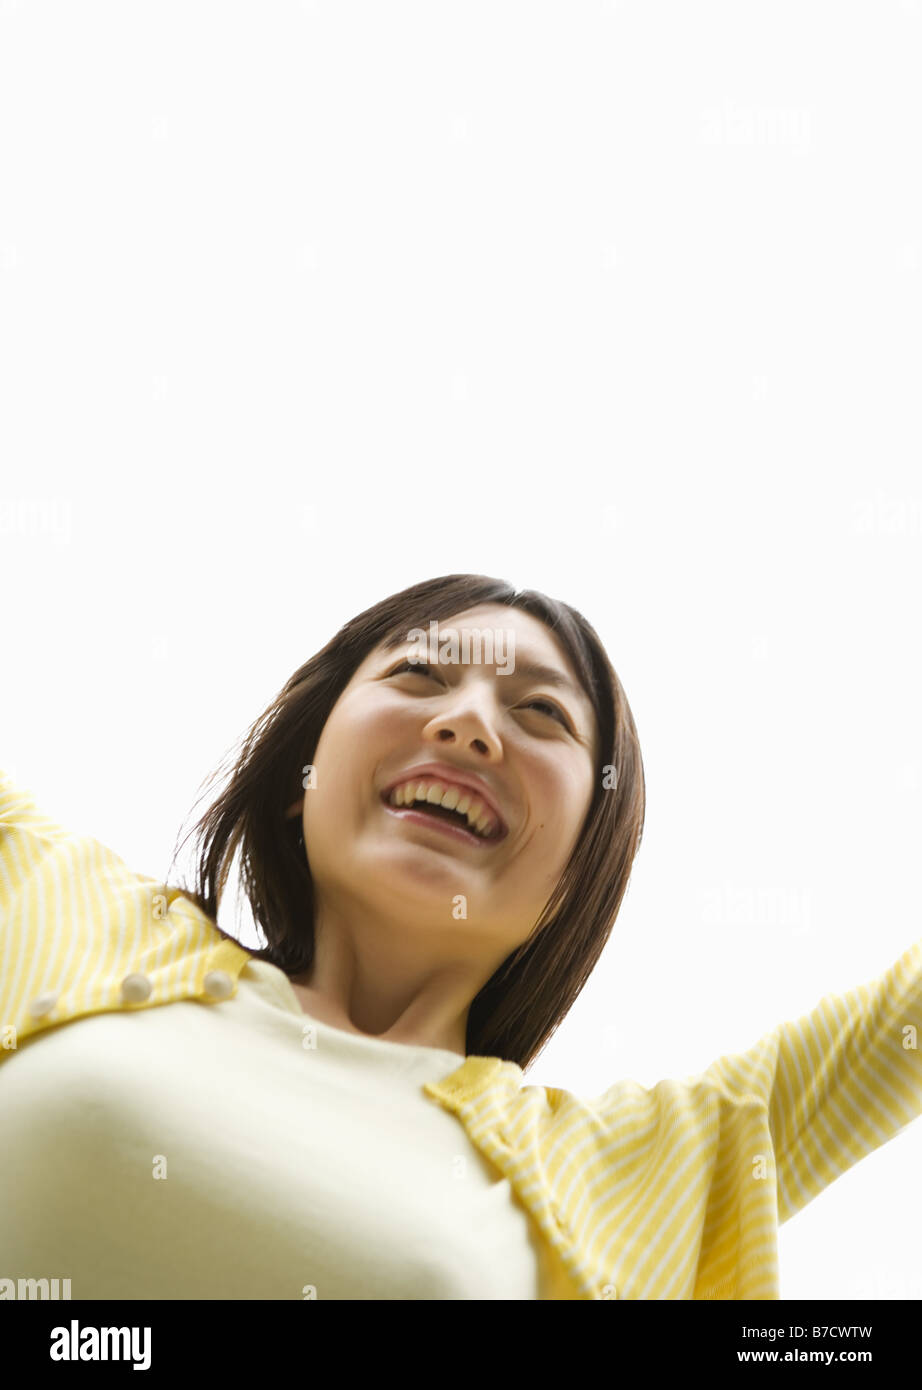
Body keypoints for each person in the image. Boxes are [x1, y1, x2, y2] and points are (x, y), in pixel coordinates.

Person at [0, 572, 919, 1300]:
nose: (470, 724)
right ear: (302, 776)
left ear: (577, 876)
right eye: (419, 675)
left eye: (541, 714)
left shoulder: (625, 1175)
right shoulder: (57, 900)